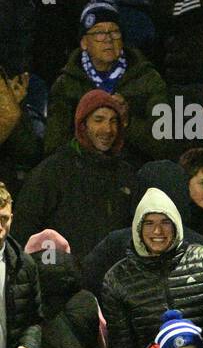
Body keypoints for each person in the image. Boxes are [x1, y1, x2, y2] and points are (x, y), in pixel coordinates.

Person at [100, 187, 203, 348]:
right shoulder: (117, 278)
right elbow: (122, 347)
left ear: (176, 224)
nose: (158, 231)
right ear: (137, 228)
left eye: (165, 222)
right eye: (149, 223)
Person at [44, 0, 170, 163]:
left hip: (135, 169)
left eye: (115, 32)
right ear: (84, 43)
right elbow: (54, 147)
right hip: (82, 171)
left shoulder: (148, 79)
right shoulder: (66, 84)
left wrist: (128, 121)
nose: (109, 39)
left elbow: (164, 145)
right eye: (99, 33)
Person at [14, 89, 138, 258]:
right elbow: (24, 227)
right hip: (65, 279)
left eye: (113, 121)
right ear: (83, 124)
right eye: (98, 120)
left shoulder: (125, 174)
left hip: (114, 279)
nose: (108, 129)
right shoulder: (53, 170)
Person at [0, 182, 42, 348]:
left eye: (4, 218)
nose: (0, 226)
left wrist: (28, 347)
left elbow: (34, 321)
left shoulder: (24, 264)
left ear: (12, 218)